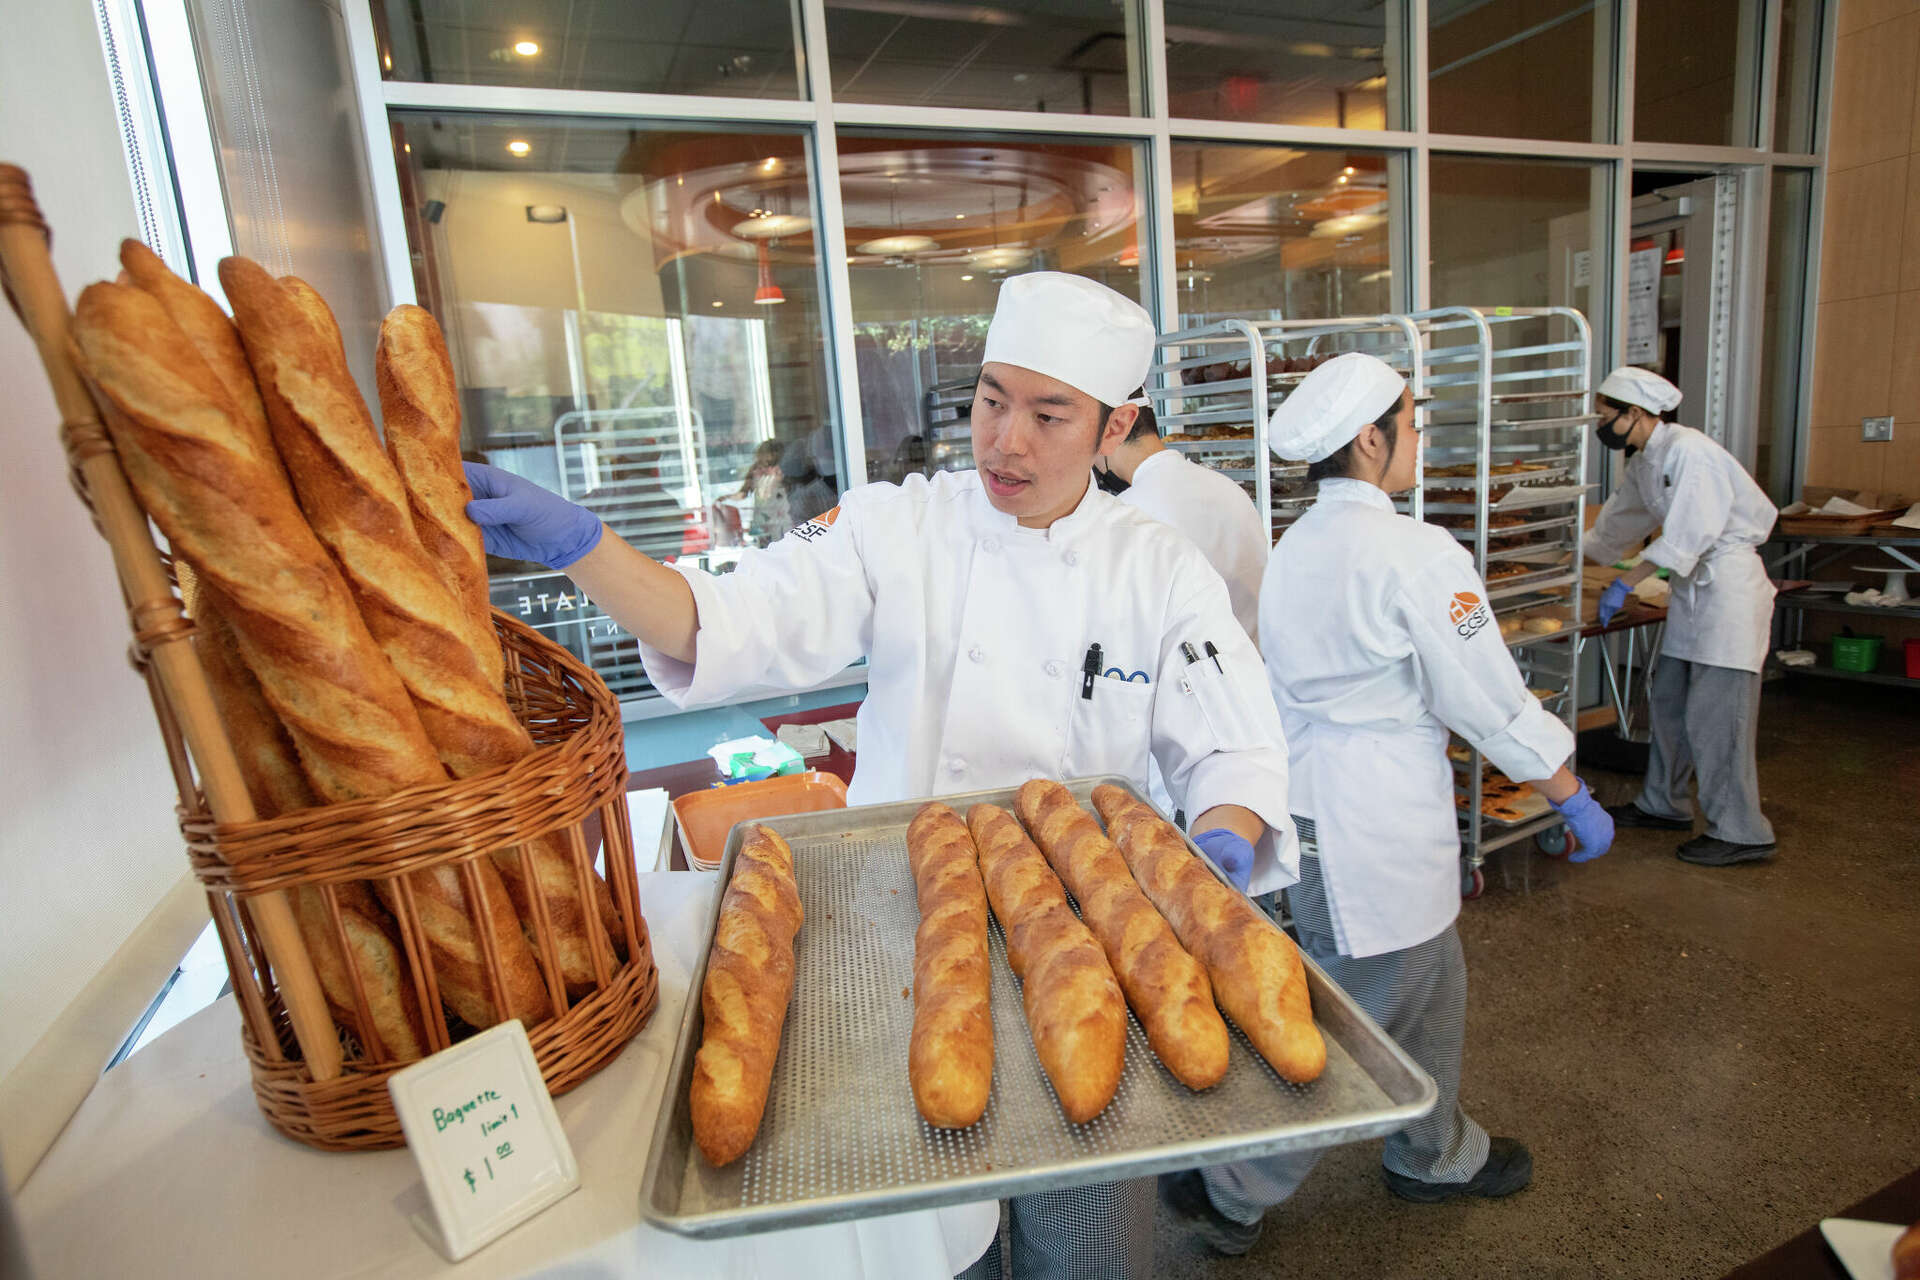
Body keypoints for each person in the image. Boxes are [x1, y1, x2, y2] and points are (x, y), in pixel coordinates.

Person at [461, 270, 1298, 1280]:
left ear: (1114, 423)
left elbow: (1233, 747)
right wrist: (587, 548)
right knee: (931, 1231)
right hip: (903, 935)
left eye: (1048, 413)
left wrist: (1219, 838)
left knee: (1086, 1244)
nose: (1006, 441)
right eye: (991, 401)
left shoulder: (1157, 567)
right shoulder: (891, 523)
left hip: (1082, 943)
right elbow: (732, 617)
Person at [1161, 352, 1616, 1256]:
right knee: (1362, 1021)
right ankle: (1231, 1190)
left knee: (1432, 985)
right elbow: (1484, 698)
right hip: (1374, 826)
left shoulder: (1298, 549)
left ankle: (1433, 1149)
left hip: (1316, 809)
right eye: (1412, 424)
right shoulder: (1415, 553)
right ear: (1372, 440)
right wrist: (1568, 789)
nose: (1419, 439)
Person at [1584, 366, 1778, 866]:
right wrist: (1553, 555)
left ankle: (1742, 831)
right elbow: (1613, 530)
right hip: (1693, 597)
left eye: (1605, 417)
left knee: (1719, 720)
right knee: (1669, 706)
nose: (1600, 427)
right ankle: (1662, 804)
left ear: (1634, 413)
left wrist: (1627, 581)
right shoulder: (1646, 463)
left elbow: (1692, 534)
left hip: (1729, 592)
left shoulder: (1691, 451)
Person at [1096, 392, 1269, 647]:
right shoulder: (1226, 486)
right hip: (1253, 661)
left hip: (1195, 673)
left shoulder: (1129, 511)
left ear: (1113, 431)